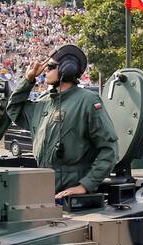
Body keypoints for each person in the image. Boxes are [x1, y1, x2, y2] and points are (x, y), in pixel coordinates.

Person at [6, 45, 118, 202]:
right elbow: (13, 110)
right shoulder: (44, 102)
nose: (45, 70)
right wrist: (28, 79)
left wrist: (85, 185)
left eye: (50, 67)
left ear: (67, 69)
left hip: (71, 194)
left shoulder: (87, 101)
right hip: (44, 187)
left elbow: (109, 149)